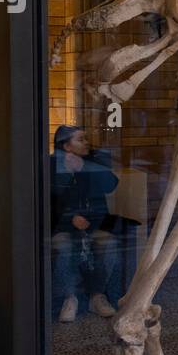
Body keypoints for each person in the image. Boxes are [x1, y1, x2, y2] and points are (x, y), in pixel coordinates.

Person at [50, 125, 121, 323]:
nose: (87, 142)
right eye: (80, 139)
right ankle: (69, 297)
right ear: (66, 146)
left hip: (94, 224)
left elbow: (111, 185)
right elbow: (45, 201)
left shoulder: (94, 160)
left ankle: (96, 296)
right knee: (63, 247)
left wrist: (84, 168)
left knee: (108, 244)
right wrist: (69, 218)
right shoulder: (51, 165)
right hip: (62, 226)